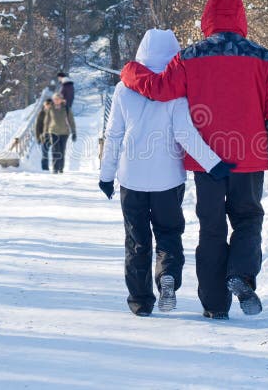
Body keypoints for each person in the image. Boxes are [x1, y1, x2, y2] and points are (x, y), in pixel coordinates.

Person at [120, 0, 268, 320]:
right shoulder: (263, 58)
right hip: (250, 156)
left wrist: (130, 71)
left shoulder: (190, 57)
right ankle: (240, 275)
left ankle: (215, 305)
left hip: (207, 160)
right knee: (247, 218)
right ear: (241, 19)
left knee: (211, 227)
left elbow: (159, 89)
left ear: (207, 19)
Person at [99, 29, 235, 317]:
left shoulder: (124, 88)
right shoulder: (176, 90)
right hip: (168, 180)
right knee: (169, 234)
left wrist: (106, 175)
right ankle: (167, 277)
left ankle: (140, 301)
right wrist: (214, 163)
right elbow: (186, 134)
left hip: (131, 178)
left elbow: (113, 135)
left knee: (136, 240)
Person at [44, 93, 76, 174]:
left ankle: (61, 168)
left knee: (62, 150)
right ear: (53, 100)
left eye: (58, 99)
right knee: (55, 150)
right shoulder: (50, 108)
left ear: (61, 100)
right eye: (55, 99)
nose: (56, 100)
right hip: (53, 132)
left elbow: (71, 120)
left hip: (64, 133)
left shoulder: (66, 108)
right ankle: (55, 168)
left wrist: (74, 132)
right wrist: (45, 132)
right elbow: (47, 121)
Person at [34, 99, 52, 171]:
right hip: (44, 135)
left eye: (50, 105)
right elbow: (37, 126)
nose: (48, 106)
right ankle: (45, 168)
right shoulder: (41, 113)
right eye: (47, 105)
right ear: (45, 105)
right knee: (45, 152)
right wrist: (38, 137)